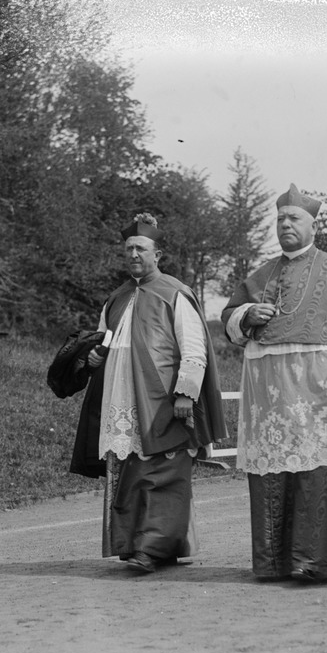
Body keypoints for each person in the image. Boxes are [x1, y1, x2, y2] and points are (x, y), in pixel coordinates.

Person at [221, 183, 327, 582]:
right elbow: (229, 323)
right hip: (270, 404)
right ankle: (274, 563)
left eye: (294, 218)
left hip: (318, 399)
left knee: (319, 476)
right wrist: (245, 315)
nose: (285, 225)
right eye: (280, 219)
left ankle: (315, 562)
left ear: (314, 225)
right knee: (273, 478)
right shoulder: (262, 274)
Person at [70, 213, 227, 574]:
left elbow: (194, 347)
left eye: (141, 248)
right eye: (128, 248)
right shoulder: (115, 299)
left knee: (163, 474)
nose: (134, 254)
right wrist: (94, 357)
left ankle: (151, 548)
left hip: (161, 401)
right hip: (119, 398)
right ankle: (138, 546)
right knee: (128, 473)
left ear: (159, 255)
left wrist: (186, 392)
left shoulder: (175, 293)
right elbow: (103, 342)